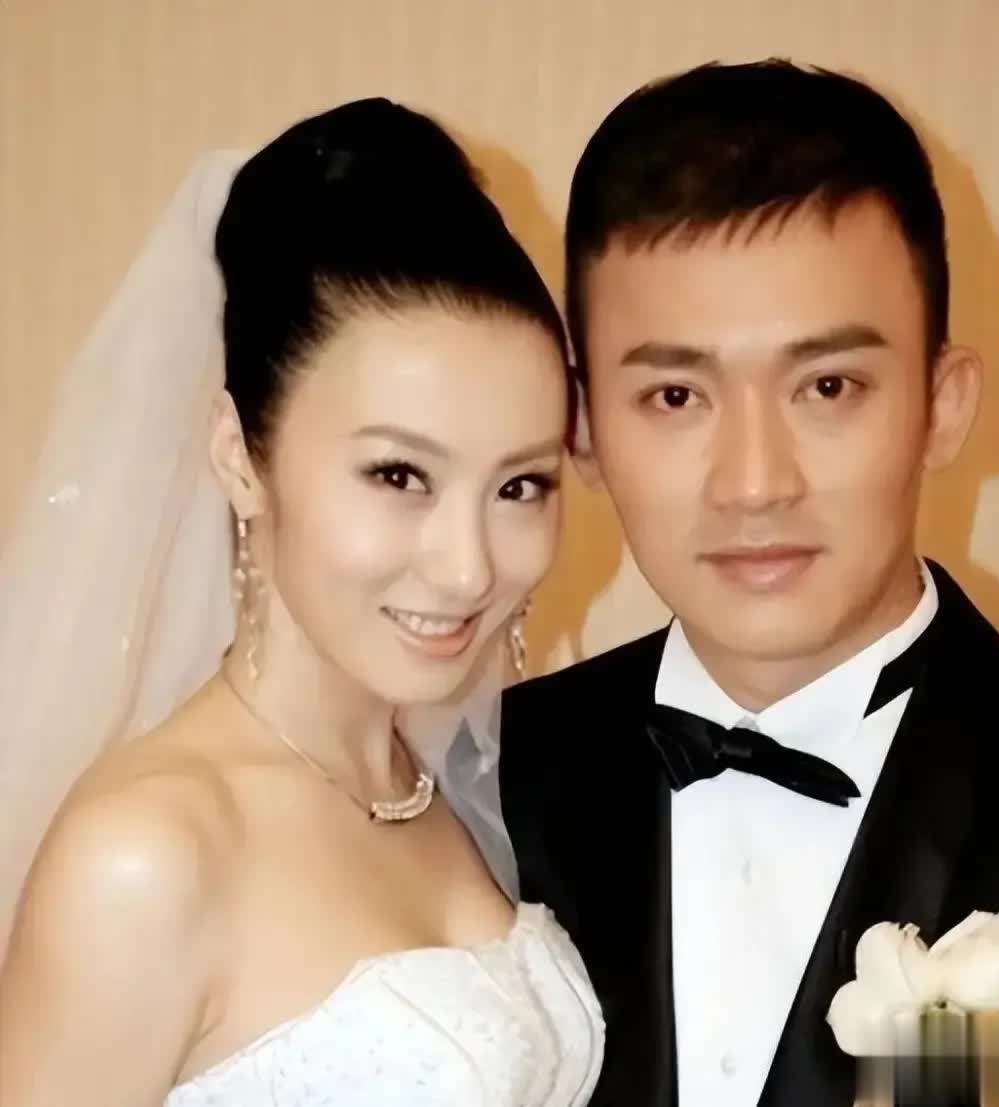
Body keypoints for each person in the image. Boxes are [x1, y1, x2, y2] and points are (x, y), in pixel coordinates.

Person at [498, 60, 999, 1106]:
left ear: (943, 405)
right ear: (580, 429)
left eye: (828, 386)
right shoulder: (484, 786)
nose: (755, 483)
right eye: (676, 396)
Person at [0, 98, 604, 1106]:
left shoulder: (439, 793)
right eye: (399, 475)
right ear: (241, 456)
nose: (468, 568)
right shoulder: (146, 856)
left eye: (520, 485)